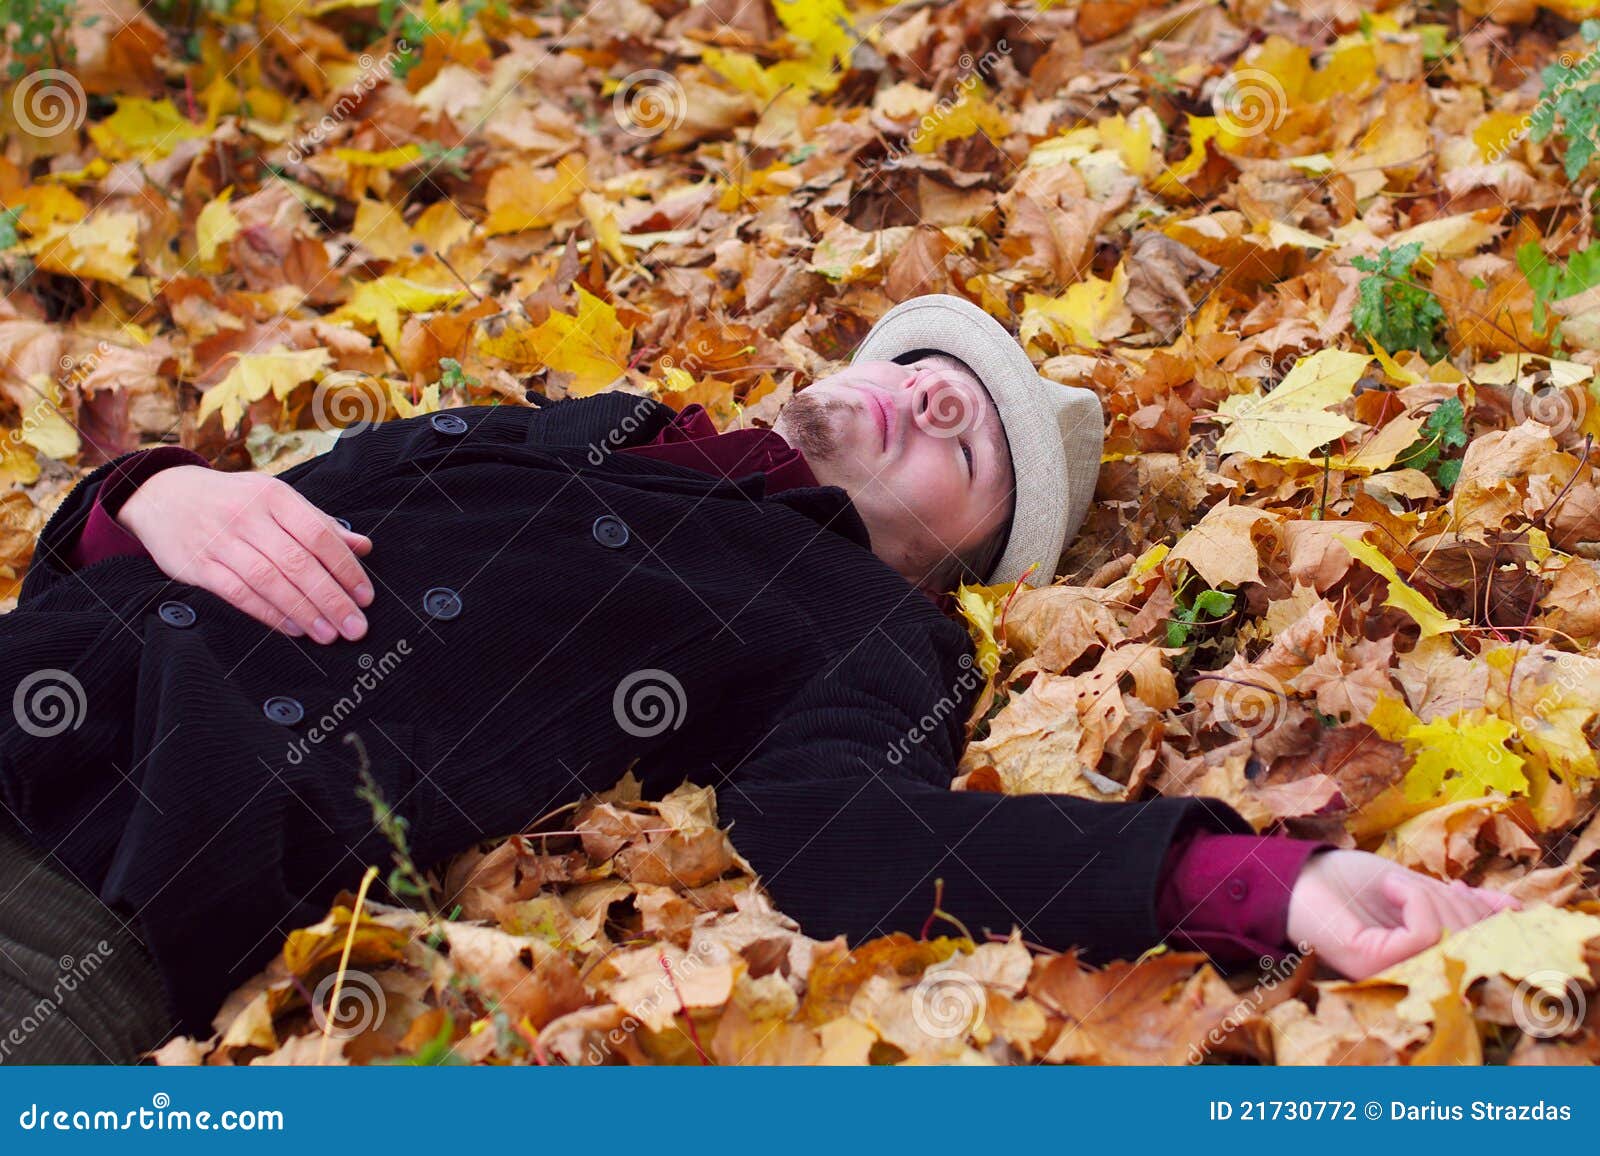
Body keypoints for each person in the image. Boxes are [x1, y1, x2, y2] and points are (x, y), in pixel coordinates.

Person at [0, 294, 1515, 1064]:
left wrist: (1263, 886)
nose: (930, 389)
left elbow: (849, 835)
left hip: (98, 873)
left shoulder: (865, 624)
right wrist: (137, 495)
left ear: (959, 561)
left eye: (968, 438)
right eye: (934, 364)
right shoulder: (605, 426)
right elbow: (300, 491)